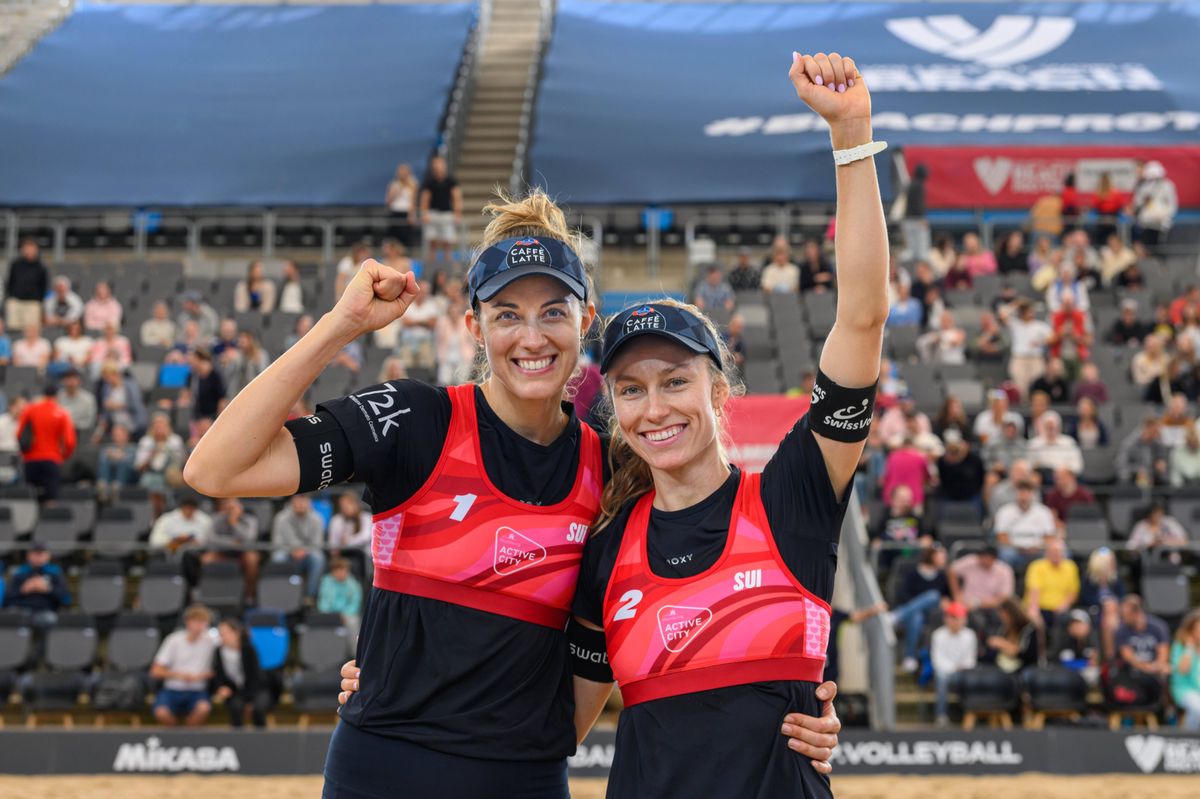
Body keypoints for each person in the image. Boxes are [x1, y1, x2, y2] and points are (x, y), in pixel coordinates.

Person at [185, 186, 841, 797]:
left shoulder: (613, 472)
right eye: (507, 314)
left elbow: (682, 606)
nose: (532, 337)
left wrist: (793, 706)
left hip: (522, 781)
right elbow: (215, 470)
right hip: (380, 770)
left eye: (552, 312)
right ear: (474, 326)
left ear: (584, 320)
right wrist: (340, 325)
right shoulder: (415, 421)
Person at [568, 53, 885, 797]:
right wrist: (395, 685)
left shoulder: (792, 497)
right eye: (632, 389)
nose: (656, 408)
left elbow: (863, 321)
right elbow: (554, 726)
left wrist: (853, 135)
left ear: (719, 391)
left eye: (676, 381)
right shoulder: (608, 549)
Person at [887, 546, 952, 674]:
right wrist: (918, 604)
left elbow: (946, 595)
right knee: (916, 617)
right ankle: (909, 657)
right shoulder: (913, 572)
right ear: (932, 556)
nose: (944, 559)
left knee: (933, 595)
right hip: (913, 613)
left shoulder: (943, 575)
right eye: (941, 556)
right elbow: (903, 594)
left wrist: (945, 600)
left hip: (932, 612)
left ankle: (897, 616)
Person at [151, 604, 216, 727]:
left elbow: (218, 670)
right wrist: (178, 676)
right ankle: (177, 738)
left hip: (197, 691)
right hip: (172, 690)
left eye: (203, 622)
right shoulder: (173, 640)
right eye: (196, 622)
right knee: (161, 712)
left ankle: (187, 737)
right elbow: (156, 671)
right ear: (188, 622)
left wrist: (200, 676)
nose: (200, 626)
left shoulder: (212, 642)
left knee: (203, 709)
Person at [16, 382, 77, 503]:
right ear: (57, 396)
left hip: (31, 460)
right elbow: (70, 442)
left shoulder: (30, 410)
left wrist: (25, 453)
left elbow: (19, 434)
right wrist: (62, 456)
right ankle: (48, 522)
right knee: (51, 498)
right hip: (51, 459)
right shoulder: (61, 413)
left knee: (31, 498)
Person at [212, 617, 272, 729]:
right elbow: (218, 674)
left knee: (258, 709)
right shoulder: (218, 652)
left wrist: (249, 700)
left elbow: (256, 677)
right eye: (220, 634)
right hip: (235, 692)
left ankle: (262, 740)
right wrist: (221, 687)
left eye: (225, 633)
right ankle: (237, 741)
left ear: (236, 633)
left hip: (256, 689)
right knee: (235, 707)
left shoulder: (249, 649)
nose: (222, 637)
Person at [3, 543, 70, 633]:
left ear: (48, 556)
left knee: (49, 620)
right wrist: (23, 590)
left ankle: (41, 647)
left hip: (45, 611)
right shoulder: (19, 573)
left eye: (41, 554)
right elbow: (7, 599)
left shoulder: (55, 574)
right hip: (21, 610)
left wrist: (47, 589)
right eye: (35, 554)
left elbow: (65, 599)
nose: (38, 557)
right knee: (9, 617)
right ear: (28, 556)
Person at [206, 497, 262, 603]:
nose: (231, 510)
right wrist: (231, 542)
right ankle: (209, 592)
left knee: (252, 559)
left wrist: (234, 523)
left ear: (240, 507)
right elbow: (211, 539)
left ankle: (249, 594)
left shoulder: (250, 520)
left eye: (234, 507)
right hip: (222, 552)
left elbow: (249, 540)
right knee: (207, 559)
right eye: (228, 507)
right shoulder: (217, 518)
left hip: (242, 553)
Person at [270, 495, 326, 600]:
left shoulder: (317, 518)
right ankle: (280, 594)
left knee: (318, 558)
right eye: (298, 501)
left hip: (308, 553)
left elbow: (318, 544)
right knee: (278, 558)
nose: (300, 504)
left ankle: (310, 596)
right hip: (287, 552)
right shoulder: (281, 517)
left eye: (304, 501)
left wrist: (304, 551)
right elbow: (277, 543)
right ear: (292, 503)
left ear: (309, 503)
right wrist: (292, 550)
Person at [930, 601, 976, 727]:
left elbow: (970, 660)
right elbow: (937, 660)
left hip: (963, 672)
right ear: (946, 619)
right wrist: (954, 668)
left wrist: (961, 668)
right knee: (941, 676)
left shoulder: (970, 635)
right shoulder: (938, 635)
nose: (956, 621)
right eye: (953, 618)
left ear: (964, 620)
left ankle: (970, 714)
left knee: (971, 677)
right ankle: (941, 715)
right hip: (946, 672)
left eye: (959, 618)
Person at [993, 479, 1055, 569]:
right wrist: (1019, 548)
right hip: (1014, 549)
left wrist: (1036, 547)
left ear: (1033, 494)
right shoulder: (1005, 511)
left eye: (1027, 492)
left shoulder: (1044, 512)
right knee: (1005, 554)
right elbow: (1001, 536)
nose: (1024, 496)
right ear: (1015, 493)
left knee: (1060, 553)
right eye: (1021, 492)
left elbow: (1049, 537)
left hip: (1038, 549)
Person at [1023, 536, 1080, 628]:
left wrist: (1063, 605)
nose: (1056, 554)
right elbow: (1034, 590)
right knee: (1033, 620)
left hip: (1060, 609)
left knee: (1069, 620)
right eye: (1053, 551)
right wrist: (1034, 609)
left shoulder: (1070, 567)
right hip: (1040, 607)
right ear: (1047, 553)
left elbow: (1073, 592)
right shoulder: (1037, 566)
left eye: (1059, 552)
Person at [419, 155, 462, 262]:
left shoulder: (451, 181)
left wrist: (457, 214)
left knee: (448, 243)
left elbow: (456, 197)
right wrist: (424, 213)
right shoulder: (429, 182)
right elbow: (425, 198)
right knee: (432, 243)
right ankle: (432, 268)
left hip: (446, 214)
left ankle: (447, 268)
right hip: (433, 214)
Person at [318, 557, 364, 653]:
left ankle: (355, 654)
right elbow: (323, 602)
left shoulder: (353, 583)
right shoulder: (326, 582)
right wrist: (331, 615)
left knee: (353, 623)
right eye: (338, 571)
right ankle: (327, 653)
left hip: (347, 614)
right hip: (330, 613)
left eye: (343, 570)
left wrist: (345, 614)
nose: (341, 573)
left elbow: (355, 602)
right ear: (333, 572)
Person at [1131, 160, 1177, 253]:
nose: (1155, 181)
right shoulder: (1143, 187)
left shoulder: (1168, 186)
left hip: (1162, 223)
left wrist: (1165, 216)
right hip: (1146, 223)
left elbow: (1172, 204)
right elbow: (1137, 203)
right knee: (1147, 248)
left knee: (1161, 249)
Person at [985, 597, 1039, 674]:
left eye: (1005, 615)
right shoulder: (1003, 628)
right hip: (1001, 666)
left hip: (1023, 668)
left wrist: (1005, 645)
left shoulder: (1029, 630)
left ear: (1013, 613)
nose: (1003, 618)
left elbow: (1031, 657)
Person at [5, 238, 48, 330]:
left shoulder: (41, 267)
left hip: (33, 303)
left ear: (36, 250)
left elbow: (43, 286)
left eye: (32, 248)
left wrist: (38, 300)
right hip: (15, 302)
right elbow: (10, 282)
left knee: (31, 329)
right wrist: (10, 296)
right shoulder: (15, 264)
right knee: (13, 328)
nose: (29, 251)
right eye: (27, 248)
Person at [1170, 609, 1200, 731]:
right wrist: (1189, 649)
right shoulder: (1180, 646)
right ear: (1191, 629)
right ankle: (1189, 738)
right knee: (1198, 709)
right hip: (1184, 690)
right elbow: (1183, 670)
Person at [901, 163, 929, 262]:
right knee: (921, 251)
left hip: (907, 219)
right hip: (917, 220)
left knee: (911, 250)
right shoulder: (919, 186)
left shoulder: (910, 184)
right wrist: (922, 218)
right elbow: (918, 204)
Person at [386, 163, 419, 248]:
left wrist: (411, 215)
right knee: (394, 237)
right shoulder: (394, 184)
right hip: (395, 212)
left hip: (406, 212)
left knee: (406, 237)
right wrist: (396, 191)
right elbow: (388, 201)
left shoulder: (413, 184)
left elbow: (413, 201)